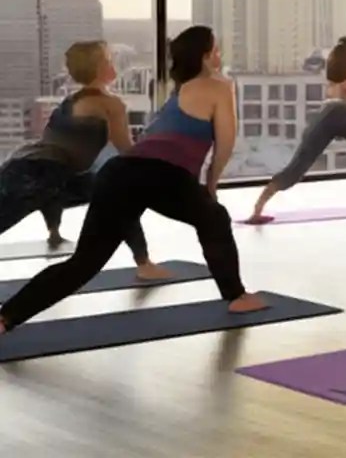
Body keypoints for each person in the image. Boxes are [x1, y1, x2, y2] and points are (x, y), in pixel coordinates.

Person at [0, 26, 265, 334]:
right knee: (215, 218)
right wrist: (211, 184)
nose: (220, 56)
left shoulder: (179, 91)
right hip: (158, 173)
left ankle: (6, 317)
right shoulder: (219, 85)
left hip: (120, 171)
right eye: (216, 50)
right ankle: (236, 296)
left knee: (84, 263)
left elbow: (152, 142)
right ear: (206, 57)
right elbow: (226, 142)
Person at [0, 41, 167, 279]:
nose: (113, 64)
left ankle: (54, 232)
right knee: (121, 198)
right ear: (99, 68)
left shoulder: (70, 100)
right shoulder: (111, 104)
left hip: (25, 163)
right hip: (42, 174)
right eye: (109, 59)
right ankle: (145, 264)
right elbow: (127, 150)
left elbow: (56, 151)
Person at [248, 37, 346, 223]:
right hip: (339, 117)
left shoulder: (336, 79)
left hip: (325, 115)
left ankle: (258, 207)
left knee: (294, 170)